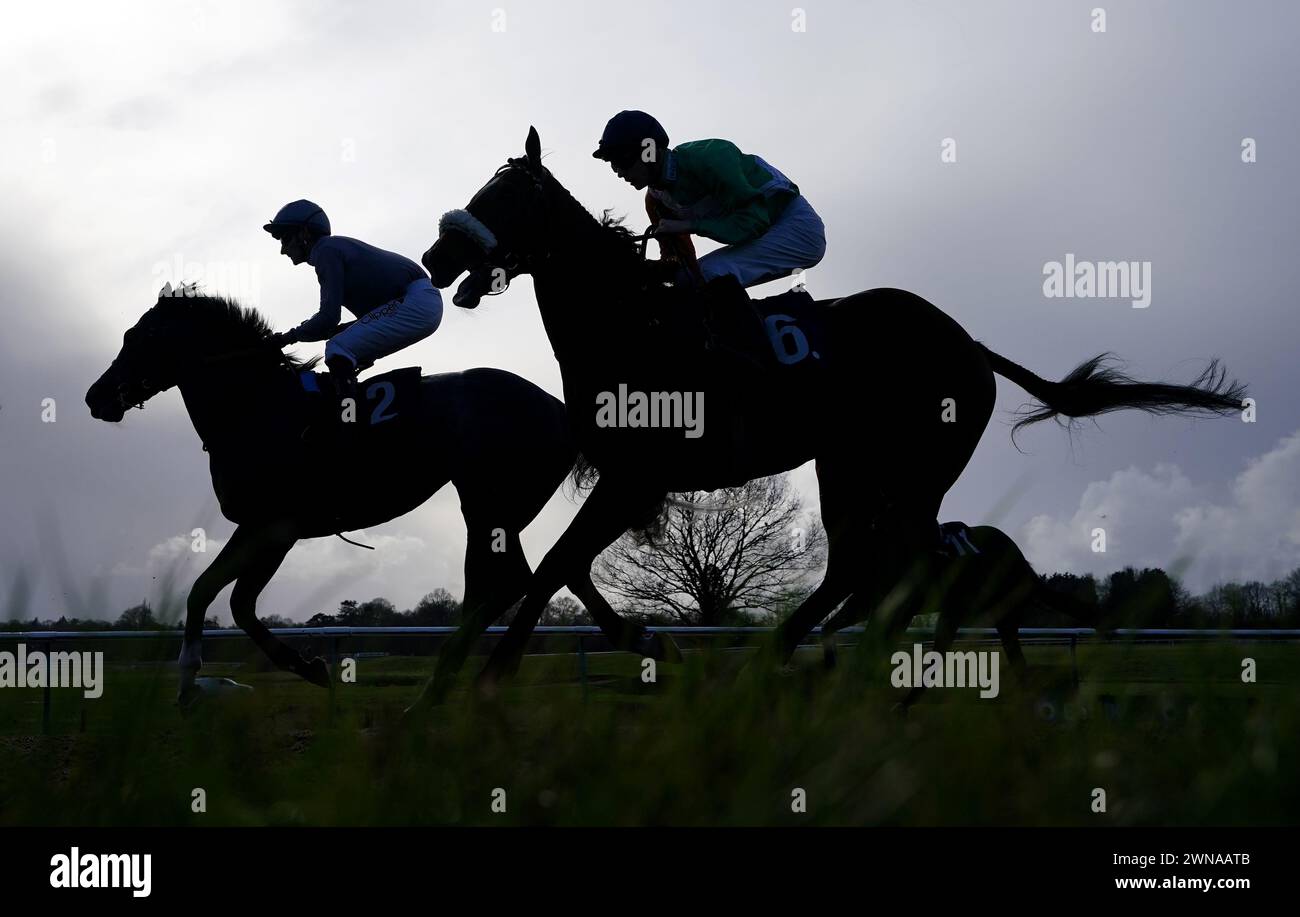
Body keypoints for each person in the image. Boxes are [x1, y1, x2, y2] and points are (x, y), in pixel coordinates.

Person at [592, 110, 826, 290]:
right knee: (689, 281)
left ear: (648, 150)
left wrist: (689, 225)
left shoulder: (711, 158)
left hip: (797, 228)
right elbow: (679, 263)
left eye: (620, 161)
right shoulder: (656, 200)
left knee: (711, 277)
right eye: (611, 164)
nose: (617, 172)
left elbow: (754, 221)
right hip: (762, 232)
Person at [263, 199, 442, 415]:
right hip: (415, 301)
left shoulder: (325, 251)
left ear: (304, 234)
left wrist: (287, 337)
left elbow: (328, 317)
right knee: (341, 342)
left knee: (339, 347)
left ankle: (348, 418)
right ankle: (349, 401)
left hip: (416, 300)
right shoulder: (330, 249)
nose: (283, 250)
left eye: (285, 238)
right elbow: (335, 324)